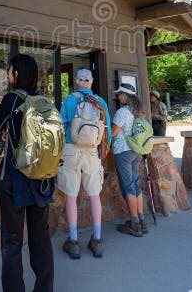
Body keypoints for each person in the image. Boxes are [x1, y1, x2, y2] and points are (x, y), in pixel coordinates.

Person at [0, 54, 54, 292]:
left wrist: (5, 132)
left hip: (15, 179)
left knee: (12, 240)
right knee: (41, 237)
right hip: (42, 178)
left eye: (10, 70)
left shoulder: (12, 99)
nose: (8, 73)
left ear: (16, 74)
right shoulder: (44, 101)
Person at [57, 68, 111, 259]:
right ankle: (96, 240)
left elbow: (61, 126)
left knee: (71, 196)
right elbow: (107, 132)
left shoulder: (69, 99)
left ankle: (73, 242)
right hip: (92, 153)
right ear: (92, 81)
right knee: (95, 195)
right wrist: (102, 152)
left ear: (78, 81)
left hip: (71, 151)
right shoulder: (100, 101)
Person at [112, 83, 147, 237]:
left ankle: (134, 224)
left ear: (125, 96)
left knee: (128, 187)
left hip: (123, 151)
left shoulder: (122, 112)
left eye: (119, 94)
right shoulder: (137, 112)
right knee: (135, 184)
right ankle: (141, 220)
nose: (118, 96)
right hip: (136, 151)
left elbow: (113, 133)